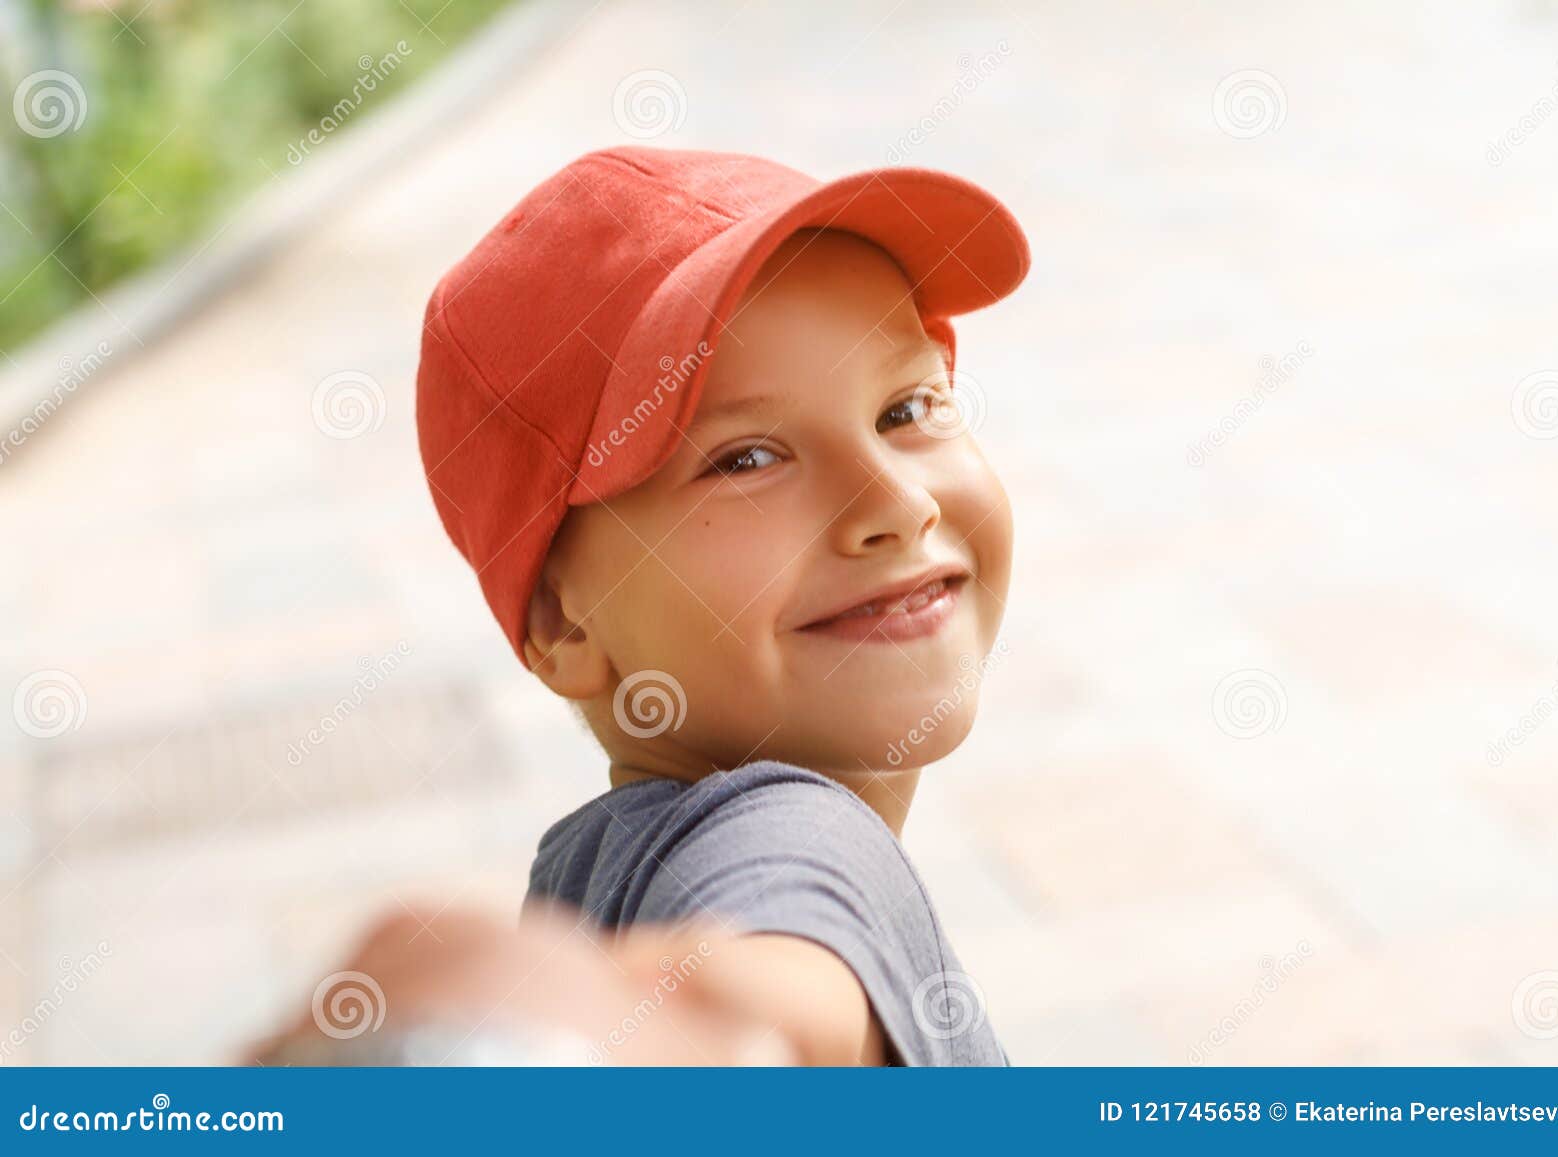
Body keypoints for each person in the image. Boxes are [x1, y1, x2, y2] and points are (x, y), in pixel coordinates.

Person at [259, 147, 1029, 1066]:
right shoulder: (796, 839)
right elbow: (742, 998)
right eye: (745, 459)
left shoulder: (596, 868)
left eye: (906, 408)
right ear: (564, 623)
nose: (899, 505)